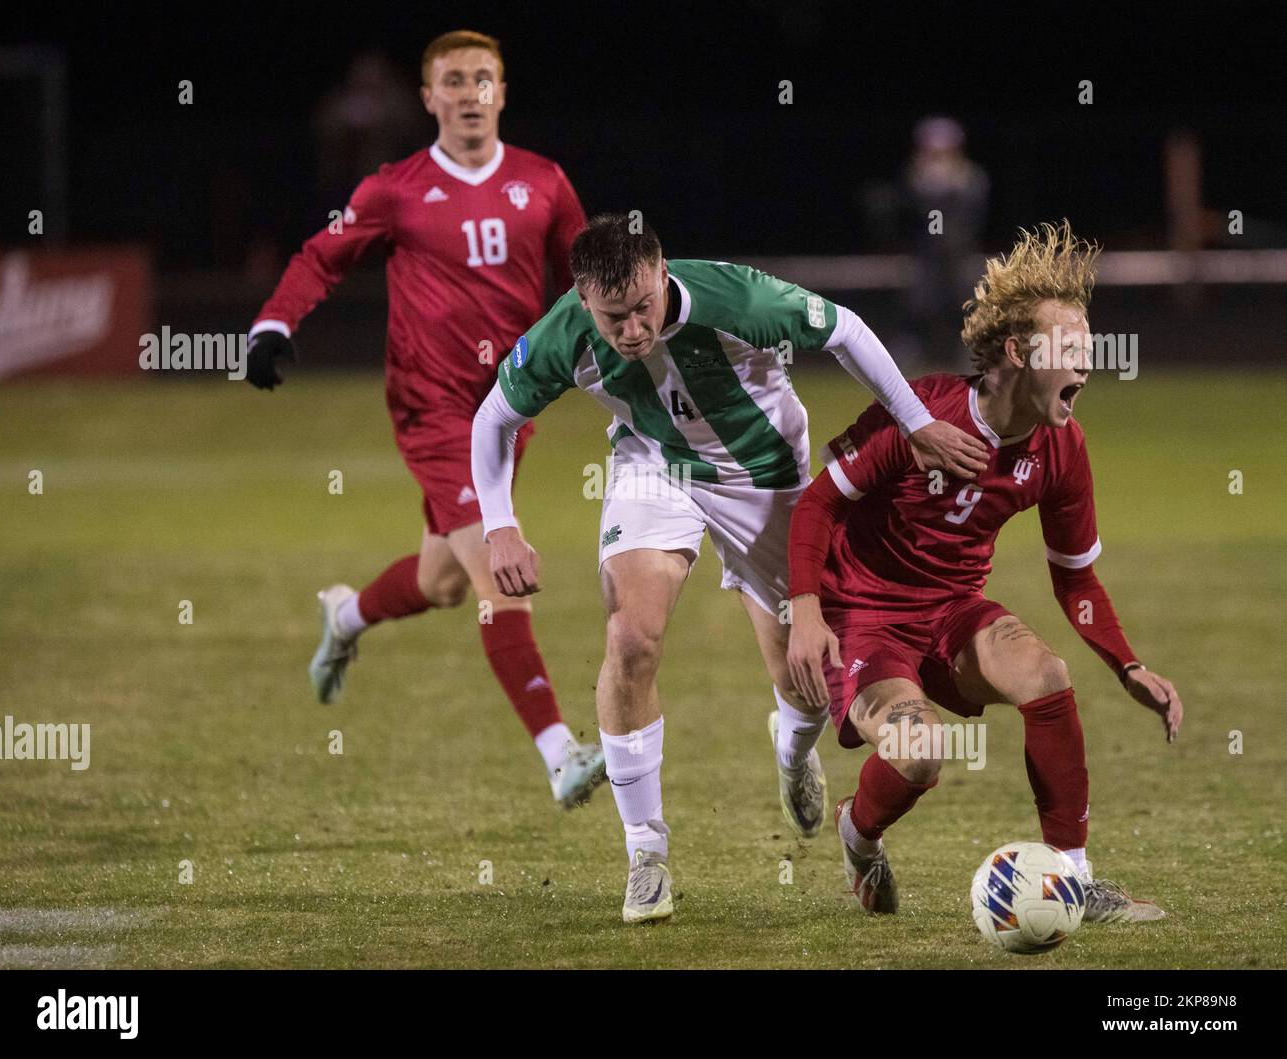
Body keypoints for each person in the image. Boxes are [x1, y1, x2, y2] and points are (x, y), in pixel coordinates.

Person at [471, 213, 989, 922]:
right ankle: (645, 853)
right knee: (630, 637)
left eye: (643, 307)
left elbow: (843, 329)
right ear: (584, 300)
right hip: (653, 469)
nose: (630, 329)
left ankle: (792, 744)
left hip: (764, 477)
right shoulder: (567, 331)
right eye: (612, 316)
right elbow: (492, 417)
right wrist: (500, 526)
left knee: (803, 675)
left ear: (661, 273)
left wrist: (913, 421)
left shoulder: (736, 299)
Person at [785, 222, 1184, 922]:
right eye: (1068, 349)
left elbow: (1076, 578)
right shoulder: (922, 414)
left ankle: (1073, 878)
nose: (1085, 365)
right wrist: (807, 611)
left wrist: (1127, 664)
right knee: (922, 755)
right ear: (1015, 352)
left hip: (953, 614)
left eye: (1088, 348)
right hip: (866, 620)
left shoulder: (1062, 447)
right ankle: (858, 830)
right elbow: (818, 503)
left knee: (1047, 674)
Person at [244, 30, 602, 809]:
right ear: (429, 99)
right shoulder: (395, 188)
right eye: (454, 81)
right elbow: (319, 257)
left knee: (443, 579)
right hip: (432, 408)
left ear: (502, 94)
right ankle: (560, 752)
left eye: (483, 79)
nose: (470, 93)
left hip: (508, 408)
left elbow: (588, 283)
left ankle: (346, 616)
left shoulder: (544, 183)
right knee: (498, 575)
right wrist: (274, 324)